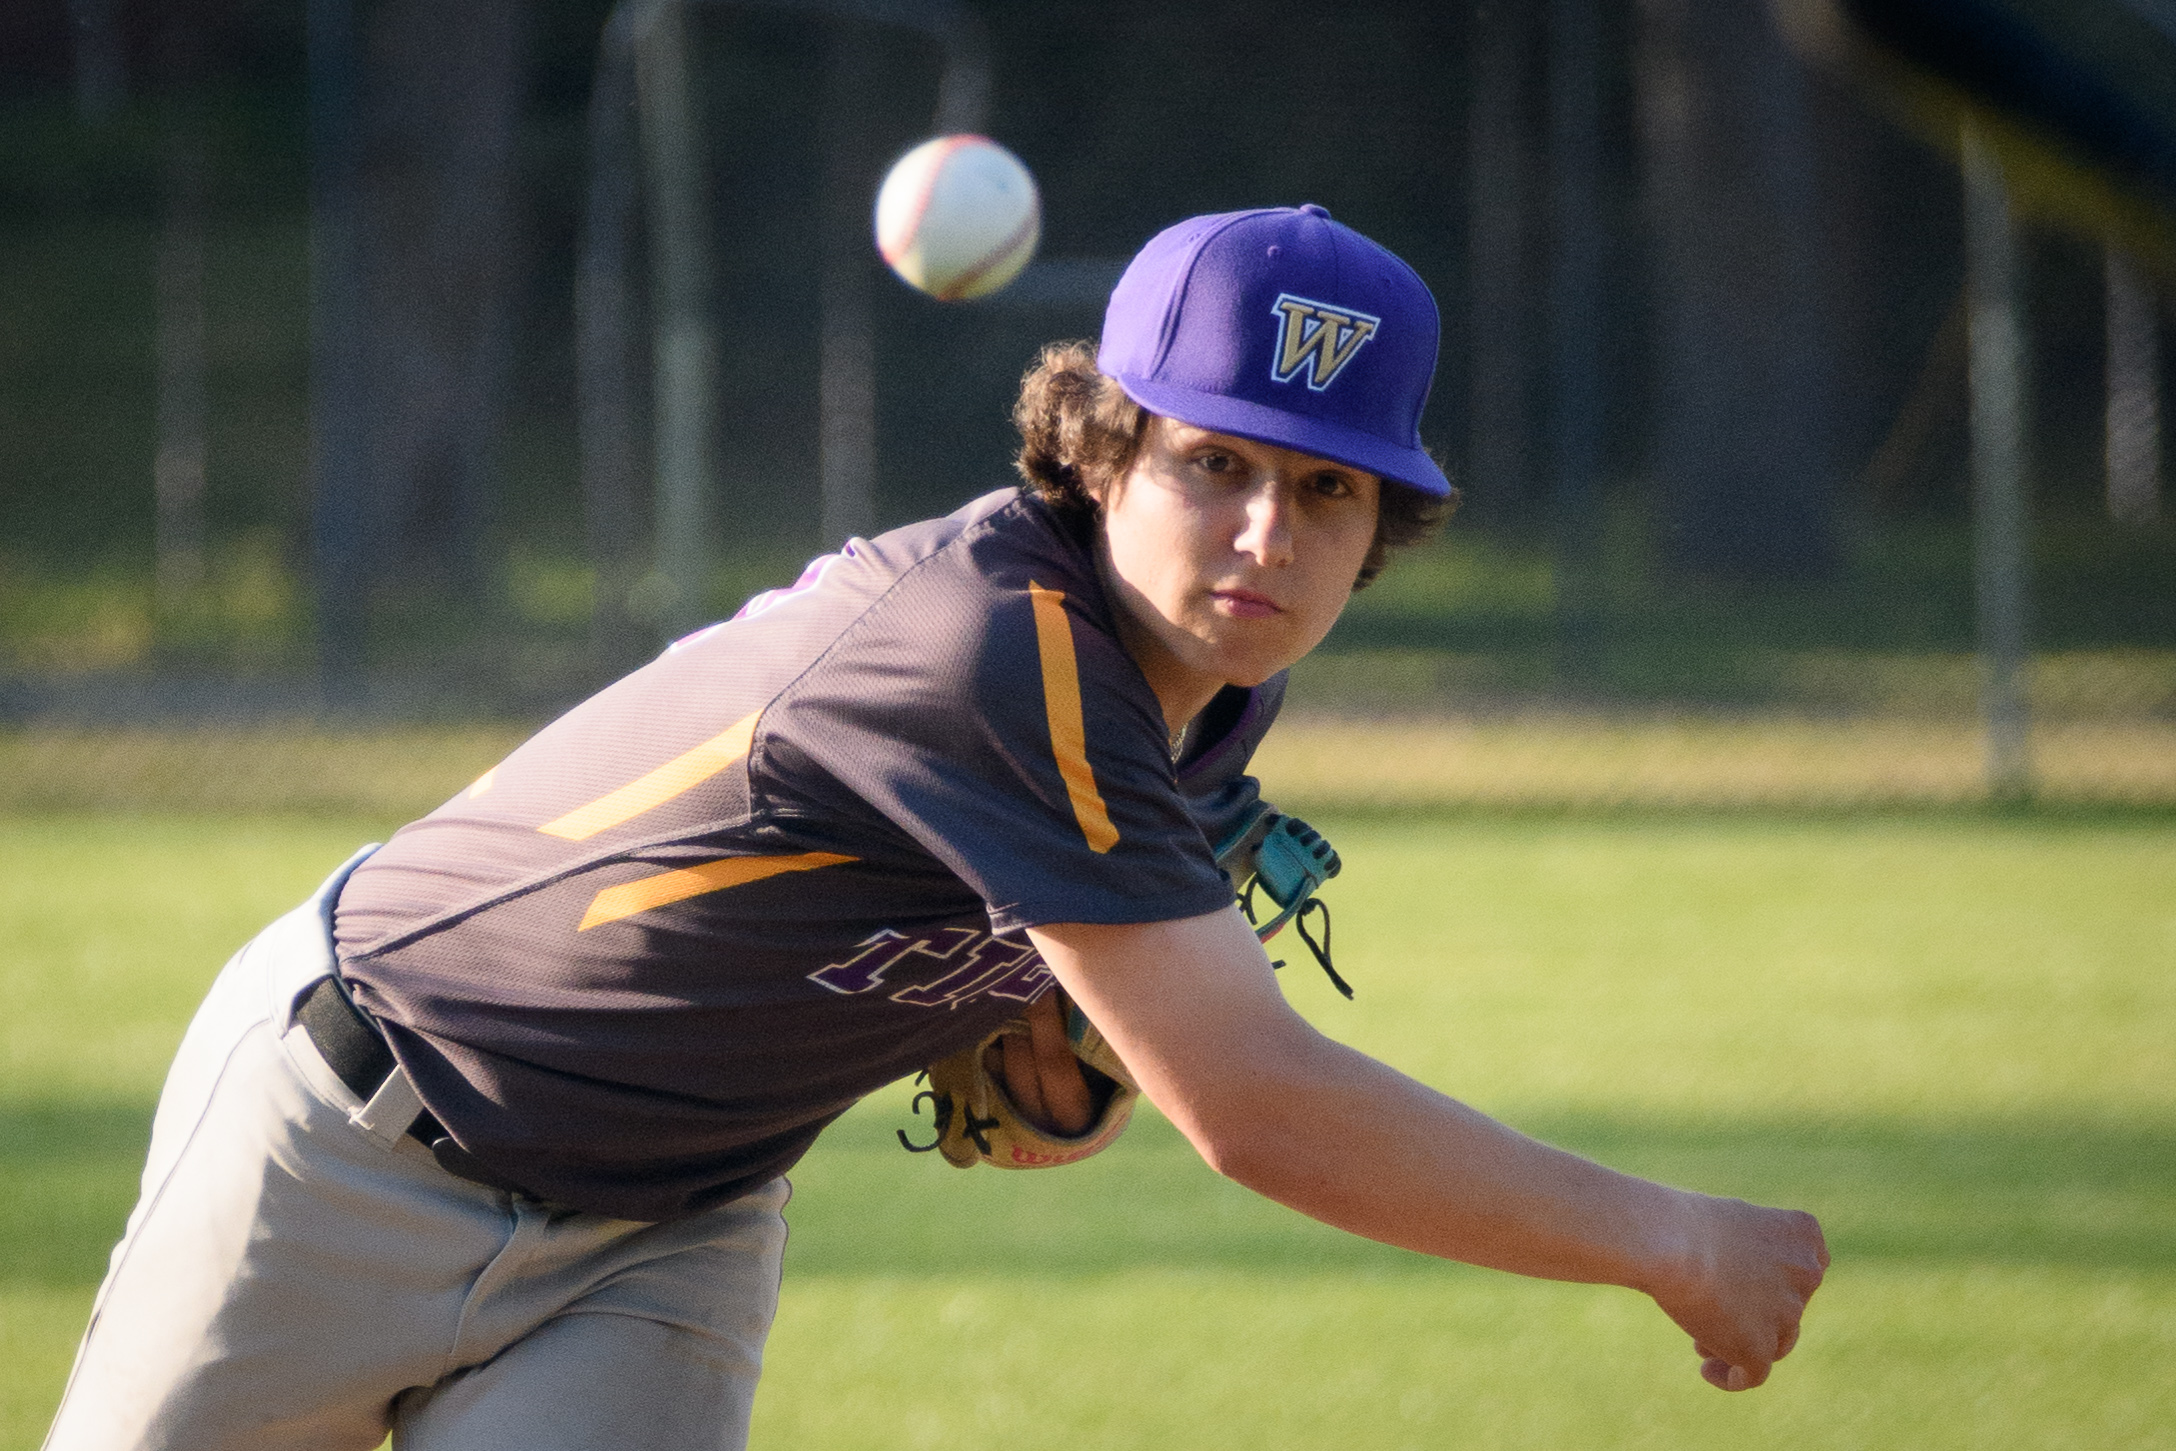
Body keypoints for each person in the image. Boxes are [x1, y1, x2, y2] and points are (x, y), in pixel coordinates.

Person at [44, 205, 1825, 1451]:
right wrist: (1676, 1241)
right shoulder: (992, 647)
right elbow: (1259, 1110)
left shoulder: (1204, 705)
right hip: (358, 1133)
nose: (1267, 534)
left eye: (1327, 488)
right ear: (1105, 449)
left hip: (667, 1221)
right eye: (1216, 462)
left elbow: (1060, 1085)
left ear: (1386, 530)